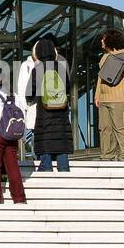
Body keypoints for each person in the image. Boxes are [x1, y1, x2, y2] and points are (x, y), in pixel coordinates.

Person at [26, 37, 73, 172]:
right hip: (61, 110)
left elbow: (29, 92)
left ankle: (46, 167)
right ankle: (63, 168)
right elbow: (68, 87)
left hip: (44, 111)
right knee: (61, 138)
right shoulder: (61, 68)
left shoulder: (38, 69)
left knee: (46, 137)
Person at [94, 29, 124, 160]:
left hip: (120, 99)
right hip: (103, 99)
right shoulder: (104, 57)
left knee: (121, 129)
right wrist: (97, 96)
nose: (102, 41)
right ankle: (107, 157)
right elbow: (100, 79)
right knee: (105, 129)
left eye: (104, 38)